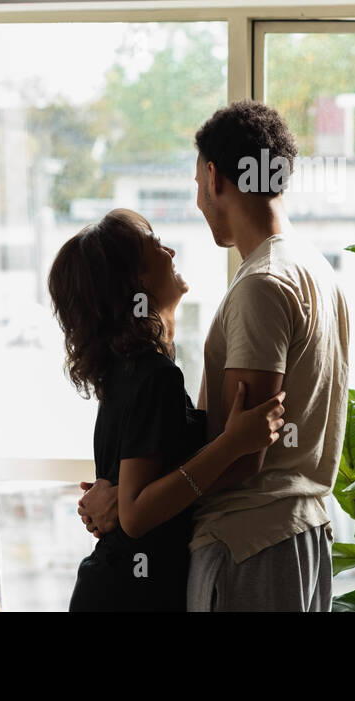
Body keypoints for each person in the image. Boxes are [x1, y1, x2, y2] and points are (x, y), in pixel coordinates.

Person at [79, 102, 351, 611]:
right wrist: (124, 490)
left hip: (249, 544)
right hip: (299, 533)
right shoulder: (314, 268)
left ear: (212, 176)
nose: (198, 201)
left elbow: (244, 452)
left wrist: (127, 502)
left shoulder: (261, 284)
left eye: (195, 183)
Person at [48, 207, 286, 611]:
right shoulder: (152, 374)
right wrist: (233, 444)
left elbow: (138, 496)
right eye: (155, 245)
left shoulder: (134, 369)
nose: (171, 251)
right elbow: (138, 515)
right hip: (129, 595)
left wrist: (120, 494)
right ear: (136, 281)